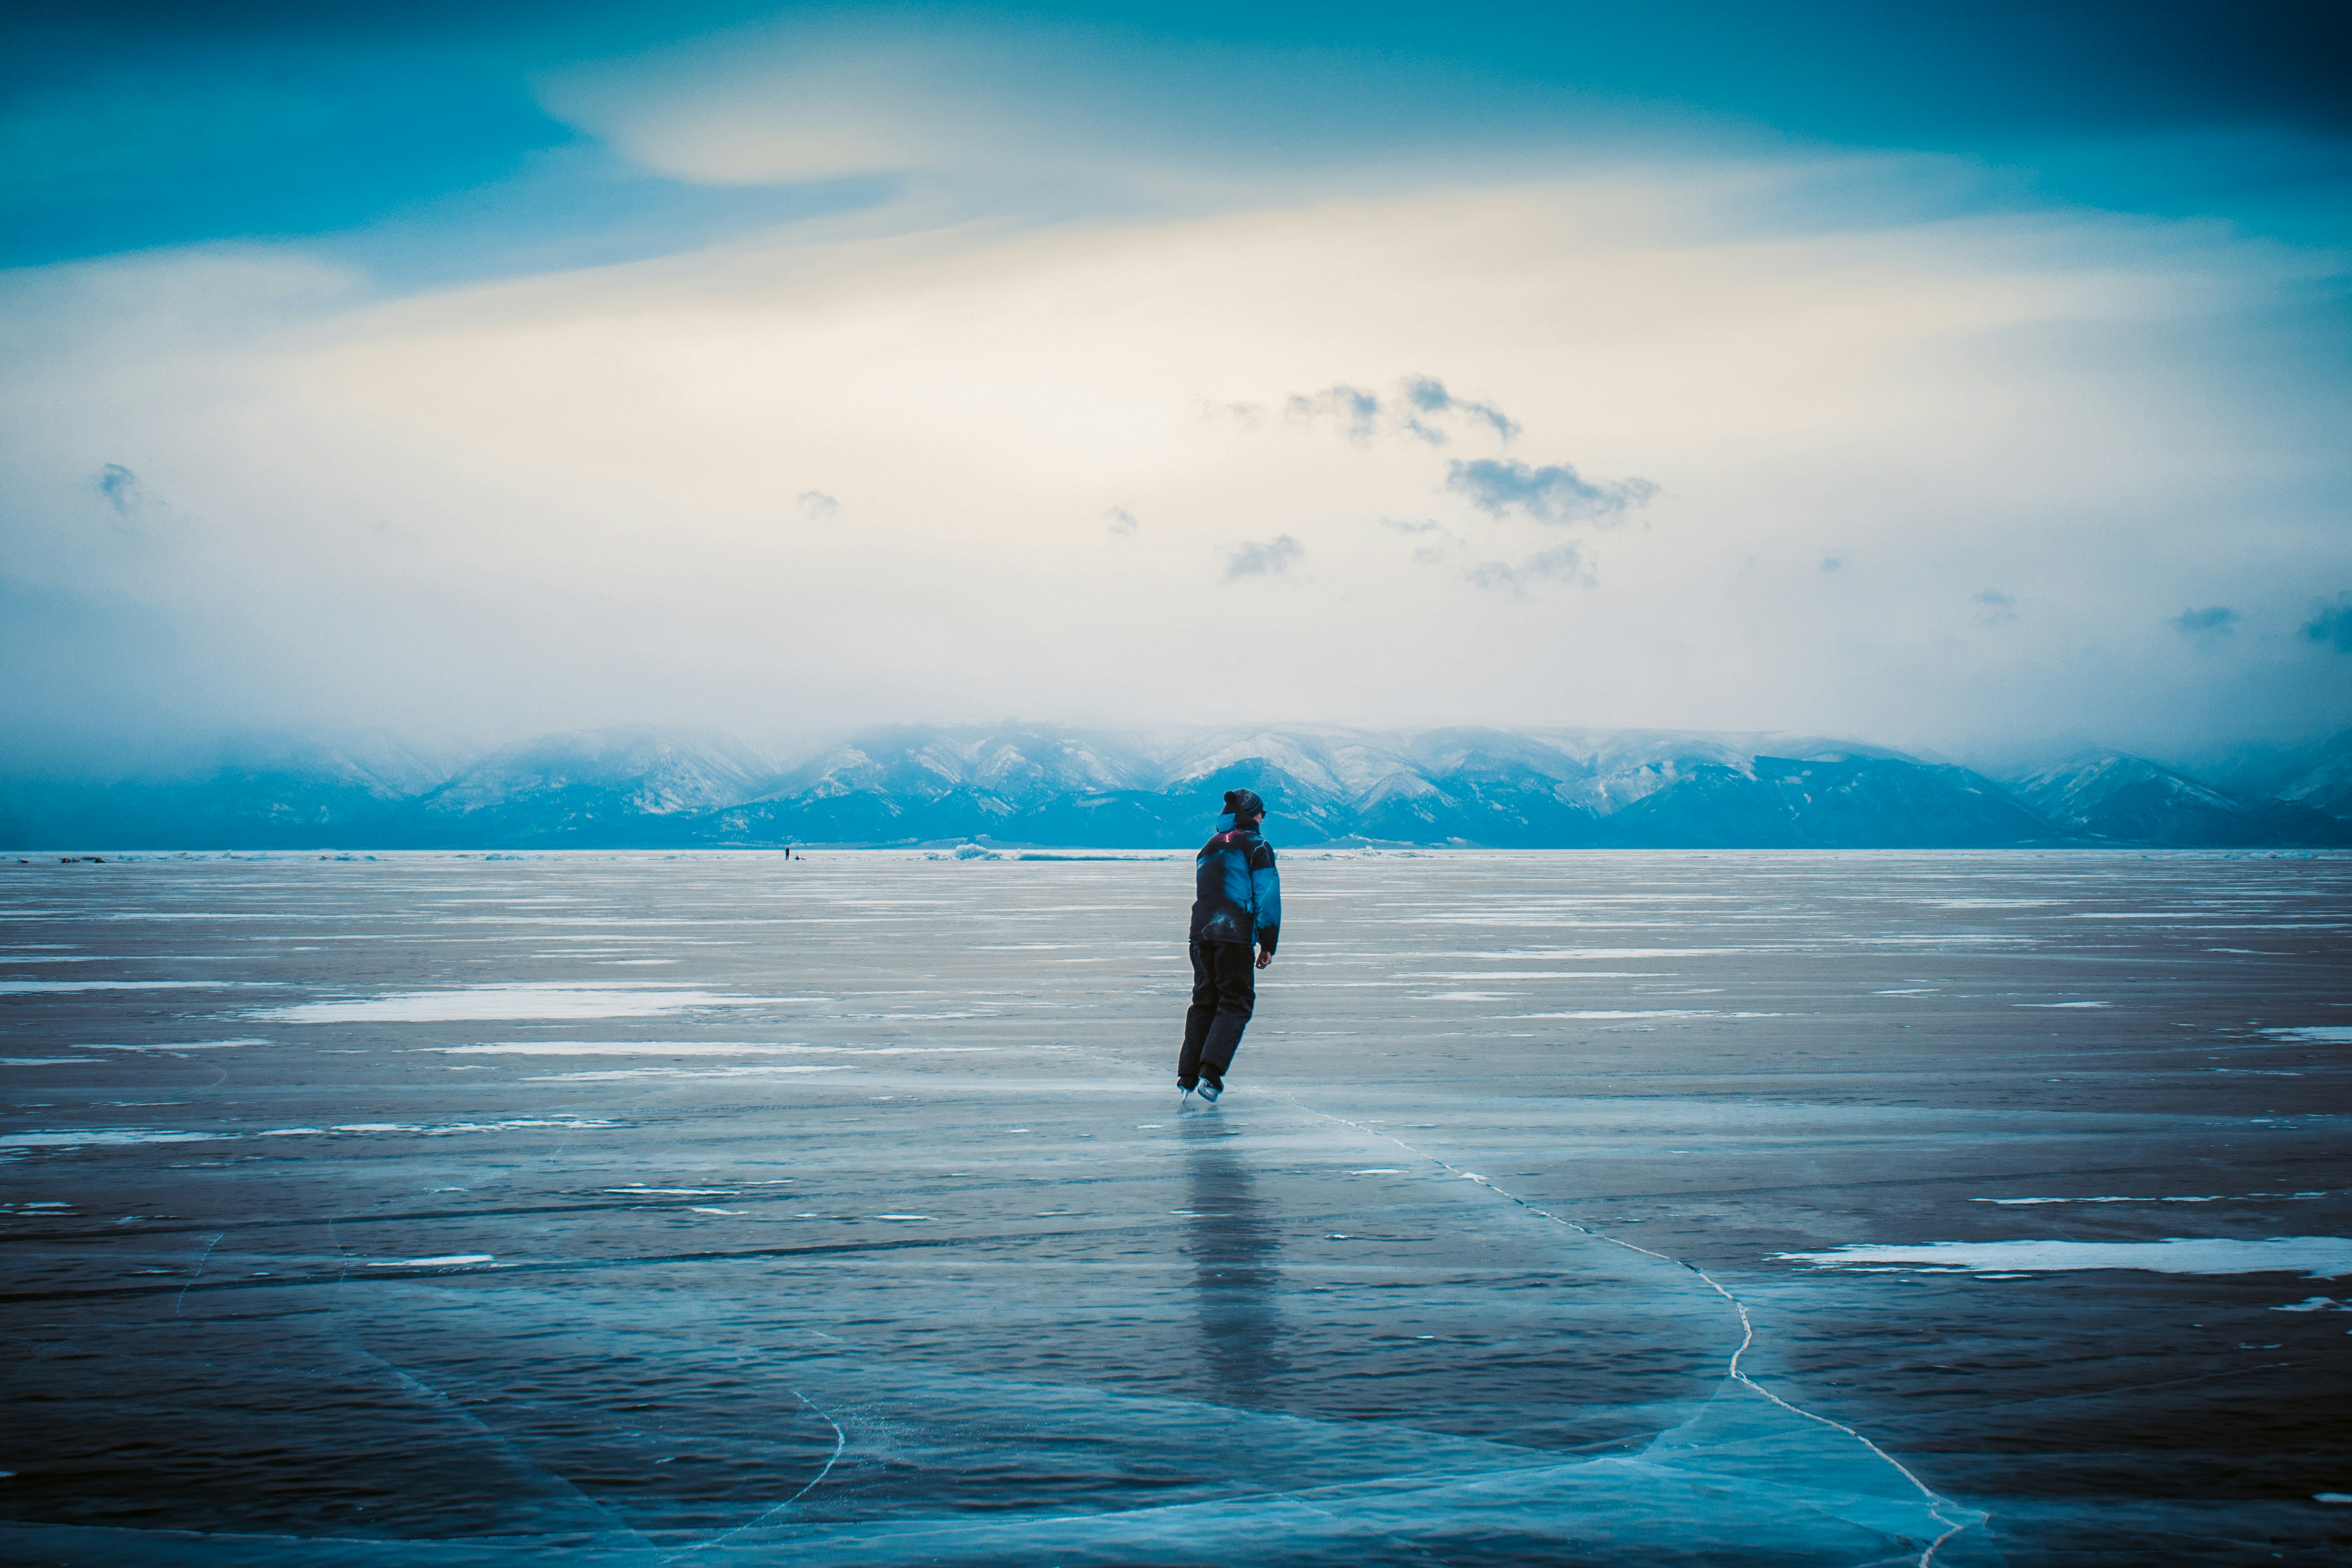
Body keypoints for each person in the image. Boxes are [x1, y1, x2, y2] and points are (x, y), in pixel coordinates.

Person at [1179, 787, 1281, 1103]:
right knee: (1236, 1001)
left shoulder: (1209, 847)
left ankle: (1187, 1075)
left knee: (1205, 1002)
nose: (1264, 818)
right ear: (1251, 814)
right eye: (1261, 812)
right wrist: (1268, 941)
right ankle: (1210, 1073)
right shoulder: (1256, 845)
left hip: (1201, 935)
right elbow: (1266, 894)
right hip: (1233, 934)